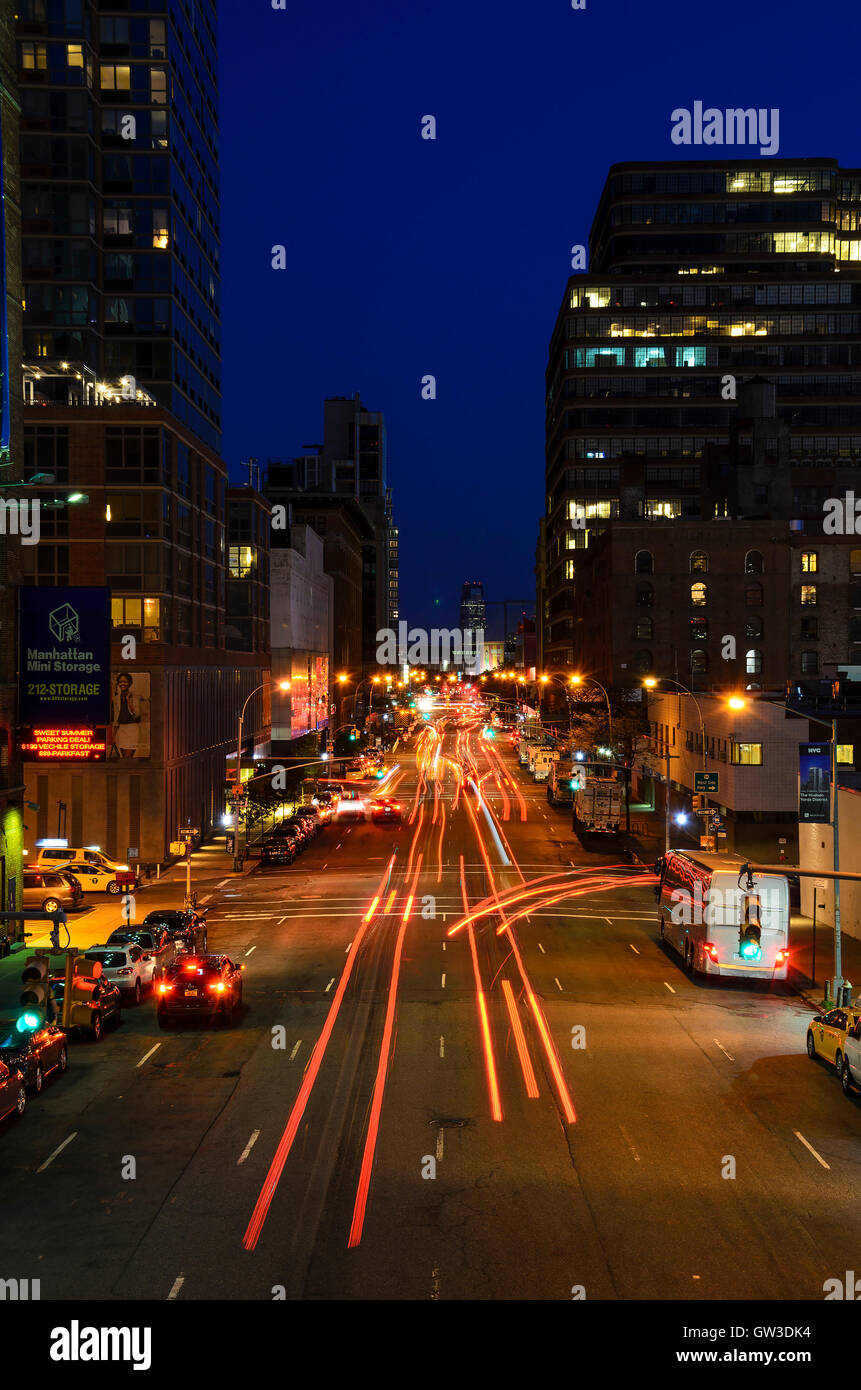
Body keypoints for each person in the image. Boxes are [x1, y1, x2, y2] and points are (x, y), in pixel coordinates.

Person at [111, 673, 141, 759]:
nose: (122, 684)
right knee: (123, 757)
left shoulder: (135, 696)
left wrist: (129, 701)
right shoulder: (116, 699)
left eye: (125, 681)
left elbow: (137, 715)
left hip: (133, 729)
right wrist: (113, 736)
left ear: (130, 683)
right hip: (121, 730)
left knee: (128, 757)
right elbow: (116, 718)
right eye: (120, 682)